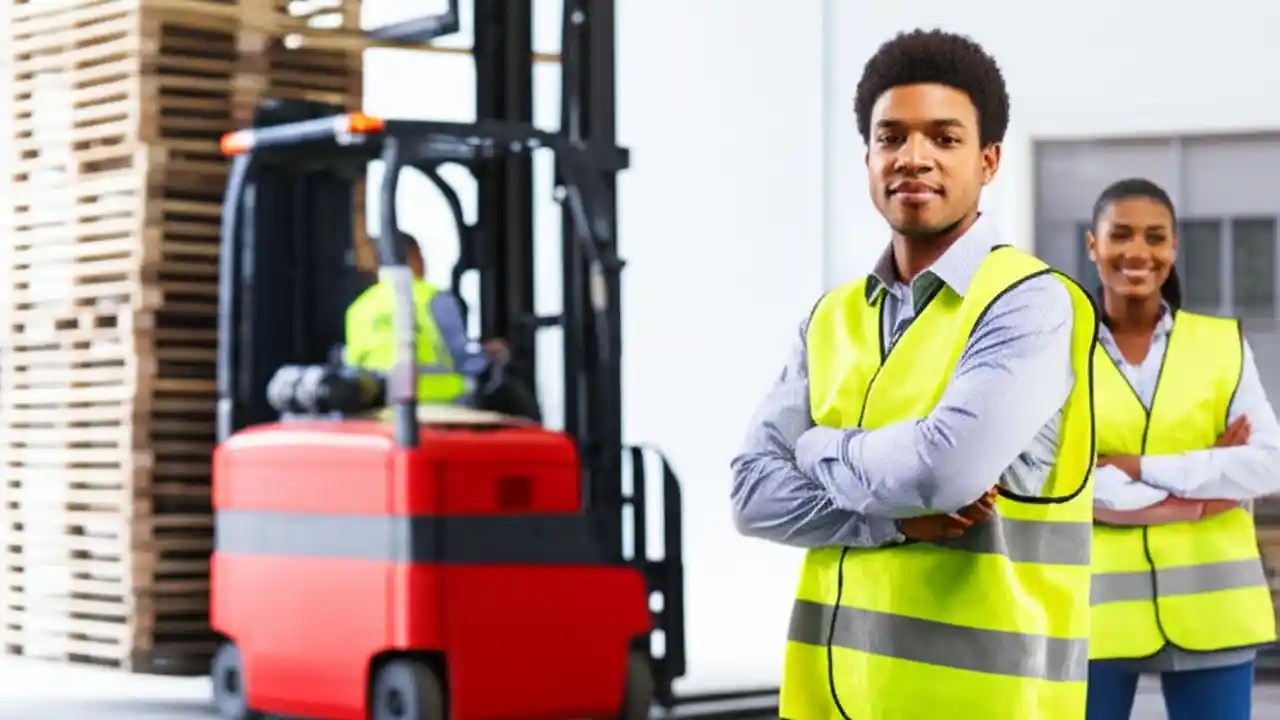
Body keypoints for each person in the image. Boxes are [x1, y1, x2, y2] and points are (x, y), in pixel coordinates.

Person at [729, 29, 1099, 719]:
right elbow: (751, 495)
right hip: (831, 702)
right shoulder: (831, 317)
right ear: (867, 156)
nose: (913, 157)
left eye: (944, 138)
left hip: (982, 705)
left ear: (988, 161)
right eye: (891, 137)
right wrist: (895, 523)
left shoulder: (1030, 302)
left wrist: (814, 446)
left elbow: (940, 475)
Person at [1082, 177, 1280, 720]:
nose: (1138, 251)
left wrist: (1133, 467)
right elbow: (1059, 477)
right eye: (1120, 234)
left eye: (1155, 237)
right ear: (1093, 245)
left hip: (1214, 608)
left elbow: (1268, 463)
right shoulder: (1059, 350)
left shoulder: (1221, 344)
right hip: (1092, 613)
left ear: (1173, 247)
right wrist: (1201, 489)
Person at [344, 231, 507, 404]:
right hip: (443, 408)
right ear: (411, 256)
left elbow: (355, 372)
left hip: (381, 410)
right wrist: (489, 355)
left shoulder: (358, 308)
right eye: (420, 256)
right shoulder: (433, 299)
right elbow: (463, 361)